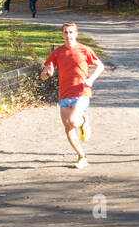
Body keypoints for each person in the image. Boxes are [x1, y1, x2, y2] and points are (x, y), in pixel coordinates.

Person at [41, 22, 104, 170]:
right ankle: (82, 156)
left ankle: (83, 121)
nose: (68, 35)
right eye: (65, 32)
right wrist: (46, 73)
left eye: (71, 32)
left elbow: (100, 66)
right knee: (68, 127)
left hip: (81, 92)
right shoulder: (57, 53)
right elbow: (44, 75)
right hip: (64, 94)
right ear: (62, 34)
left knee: (74, 121)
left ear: (76, 34)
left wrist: (91, 79)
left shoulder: (84, 50)